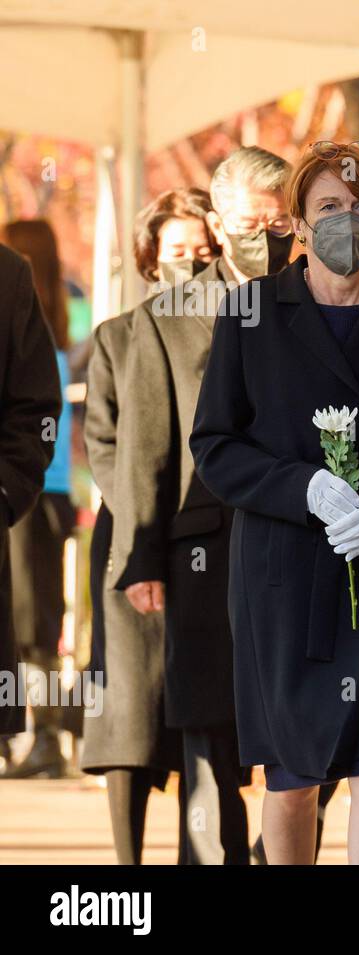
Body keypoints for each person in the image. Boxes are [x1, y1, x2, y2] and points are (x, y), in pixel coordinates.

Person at [190, 141, 359, 865]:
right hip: (284, 579)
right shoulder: (251, 311)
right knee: (293, 777)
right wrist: (300, 486)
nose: (348, 219)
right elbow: (216, 445)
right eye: (330, 207)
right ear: (300, 223)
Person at [111, 147, 297, 864]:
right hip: (201, 552)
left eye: (279, 223)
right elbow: (144, 445)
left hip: (301, 542)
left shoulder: (323, 298)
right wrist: (141, 556)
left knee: (310, 725)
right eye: (251, 224)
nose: (266, 237)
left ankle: (275, 849)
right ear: (218, 224)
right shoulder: (167, 316)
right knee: (208, 735)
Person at [79, 189, 216, 862]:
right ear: (150, 259)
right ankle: (127, 861)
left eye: (201, 251)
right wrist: (139, 516)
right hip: (130, 536)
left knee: (200, 710)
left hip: (205, 536)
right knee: (127, 714)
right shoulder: (118, 334)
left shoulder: (231, 325)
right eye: (175, 252)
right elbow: (103, 443)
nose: (188, 263)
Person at [0, 221, 78, 780]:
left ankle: (46, 733)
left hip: (35, 496)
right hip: (50, 493)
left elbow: (36, 413)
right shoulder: (58, 327)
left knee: (35, 619)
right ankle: (43, 734)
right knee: (39, 618)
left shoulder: (16, 296)